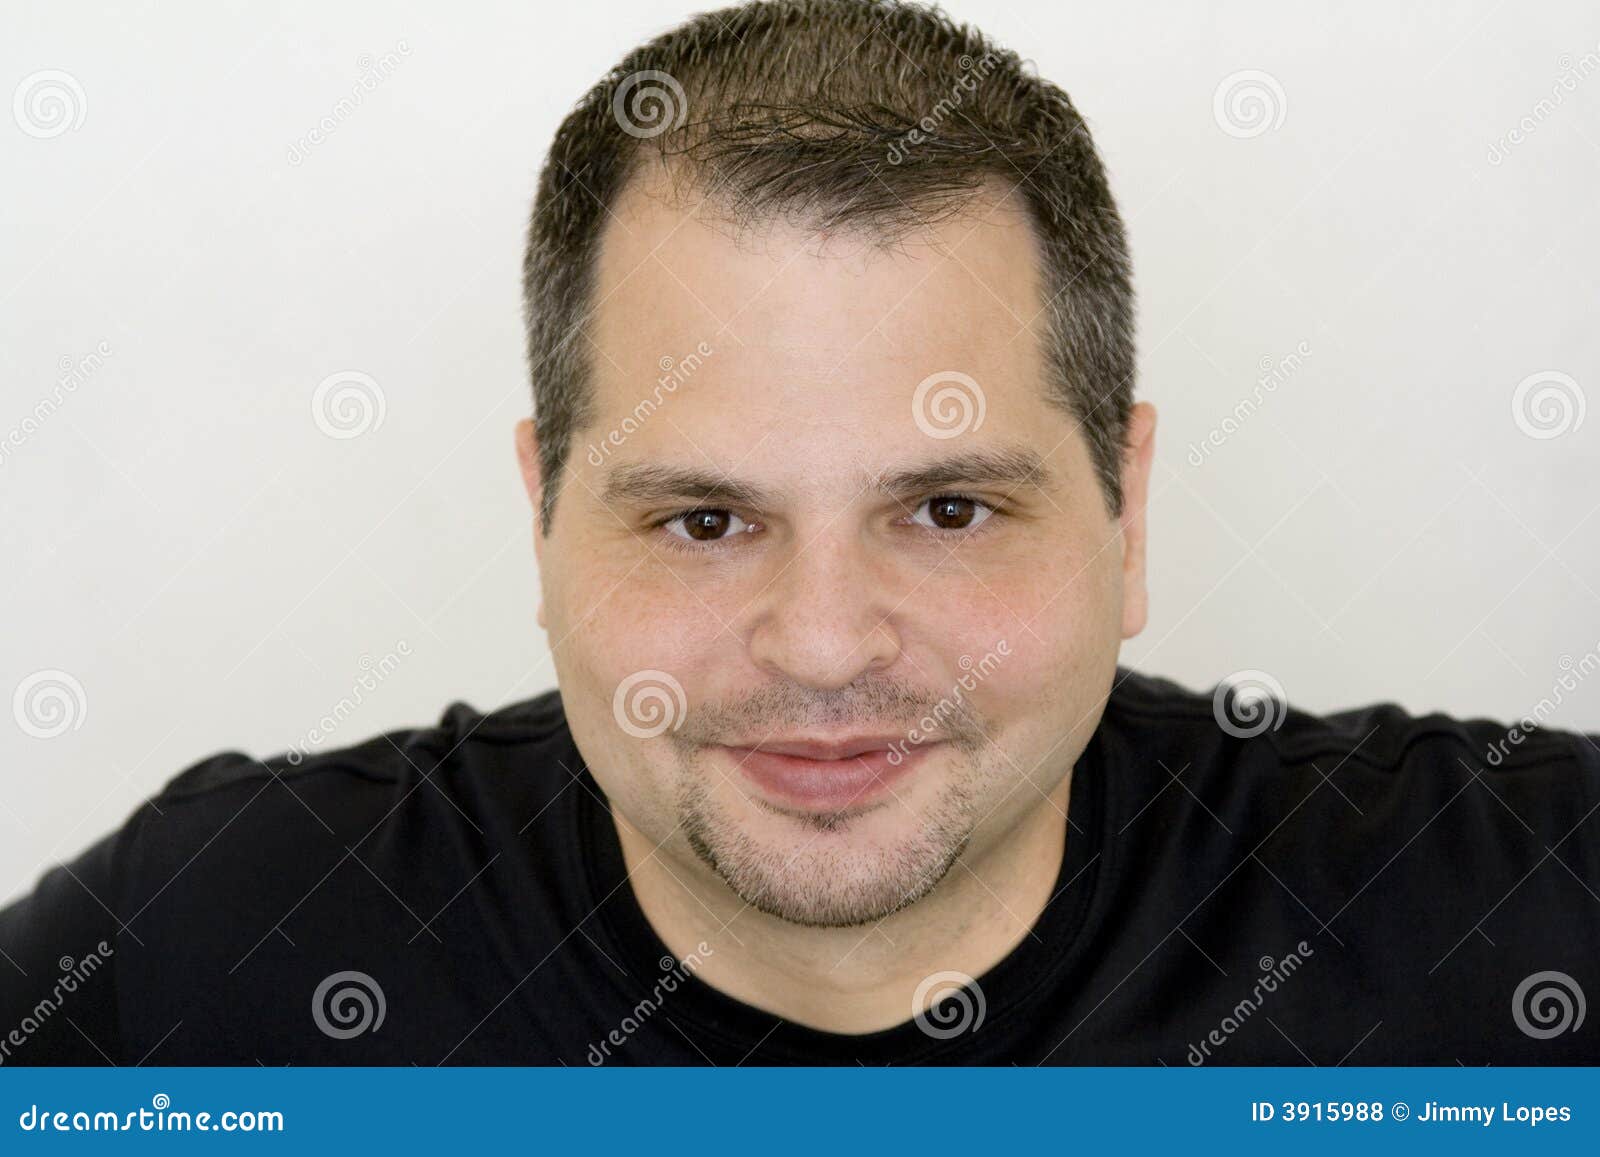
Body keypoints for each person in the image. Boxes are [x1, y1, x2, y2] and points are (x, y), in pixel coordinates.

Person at [3, 0, 1596, 1066]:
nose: (827, 642)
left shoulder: (1526, 921)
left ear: (1130, 505)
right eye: (704, 518)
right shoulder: (206, 955)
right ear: (541, 513)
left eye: (950, 507)